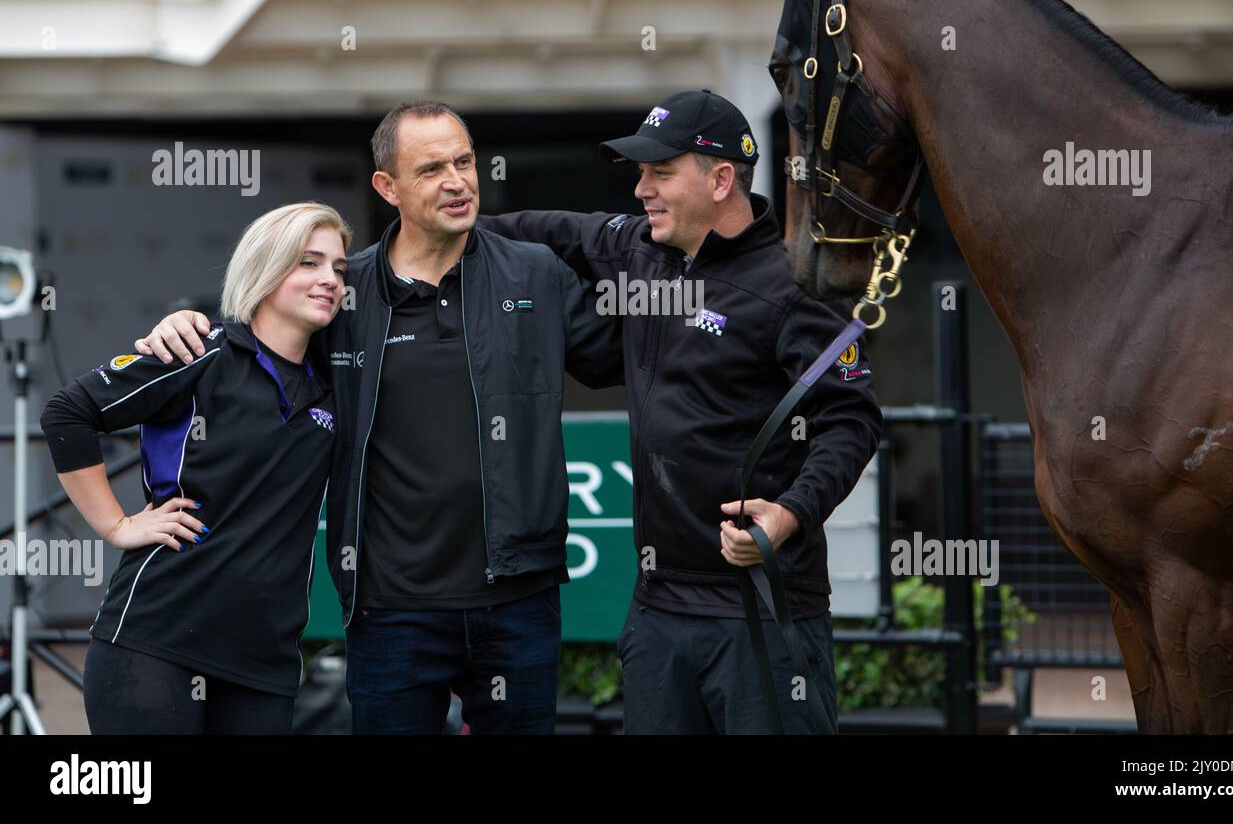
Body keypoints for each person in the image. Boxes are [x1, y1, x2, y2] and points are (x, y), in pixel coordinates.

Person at [132, 102, 621, 734]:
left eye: (465, 161)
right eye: (431, 168)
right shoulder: (342, 294)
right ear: (387, 187)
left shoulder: (534, 273)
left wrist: (669, 272)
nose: (457, 180)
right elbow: (254, 345)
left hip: (518, 601)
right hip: (391, 609)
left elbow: (625, 358)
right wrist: (186, 321)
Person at [477, 89, 884, 733]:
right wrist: (442, 232)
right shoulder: (637, 248)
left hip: (763, 610)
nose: (642, 190)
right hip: (658, 610)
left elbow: (851, 419)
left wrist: (791, 514)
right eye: (641, 173)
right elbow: (546, 231)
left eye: (661, 173)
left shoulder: (796, 283)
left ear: (721, 178)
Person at [41, 201, 350, 734]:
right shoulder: (197, 350)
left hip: (265, 663)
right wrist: (116, 525)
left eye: (339, 269)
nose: (328, 280)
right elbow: (68, 414)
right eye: (308, 262)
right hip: (155, 645)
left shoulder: (337, 382)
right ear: (267, 267)